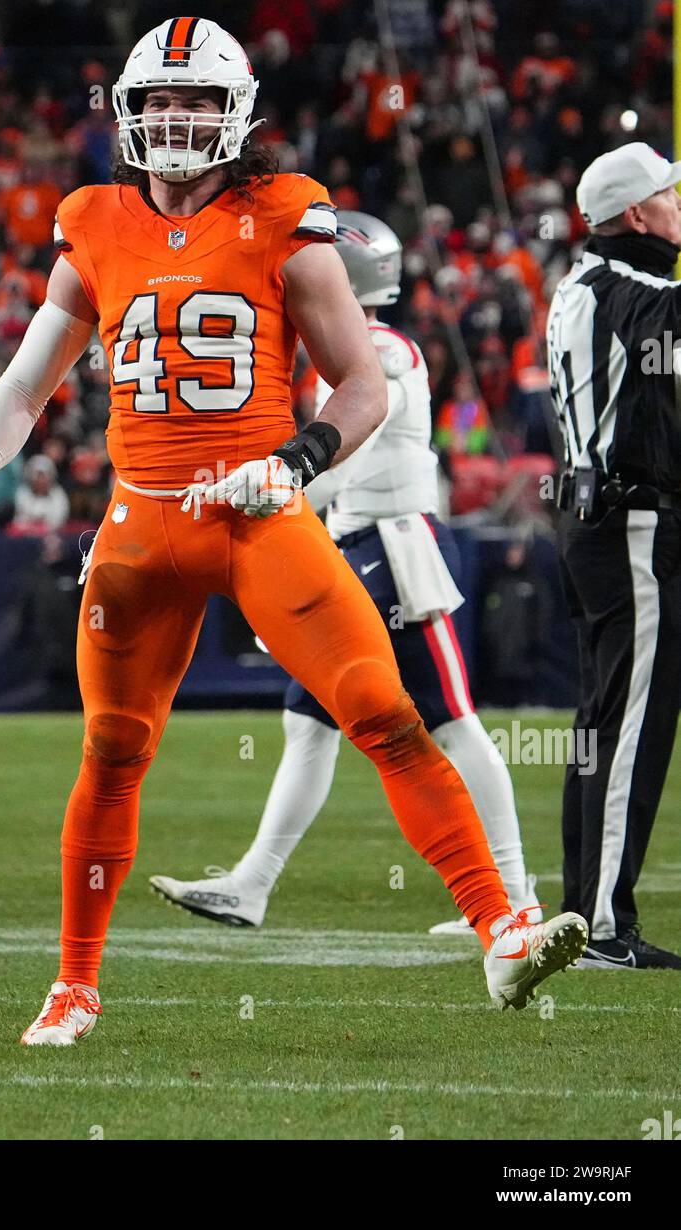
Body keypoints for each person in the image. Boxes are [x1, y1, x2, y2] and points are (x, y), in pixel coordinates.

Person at [0, 17, 586, 1045]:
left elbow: (360, 383)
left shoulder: (285, 212)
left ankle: (500, 929)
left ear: (235, 113)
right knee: (110, 748)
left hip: (259, 508)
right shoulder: (90, 219)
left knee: (382, 708)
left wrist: (292, 461)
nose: (176, 118)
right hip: (143, 519)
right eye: (158, 100)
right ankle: (74, 984)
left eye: (195, 100)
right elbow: (25, 382)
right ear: (128, 112)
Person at [150, 211, 540, 934]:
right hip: (359, 549)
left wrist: (259, 498)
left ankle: (518, 897)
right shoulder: (364, 349)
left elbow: (340, 449)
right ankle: (252, 884)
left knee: (452, 724)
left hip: (396, 551)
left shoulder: (381, 349)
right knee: (308, 725)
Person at [547, 141, 681, 969]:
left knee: (605, 721)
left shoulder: (588, 283)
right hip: (630, 519)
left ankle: (587, 910)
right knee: (630, 723)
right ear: (637, 214)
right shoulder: (634, 292)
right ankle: (598, 923)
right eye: (669, 195)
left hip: (599, 516)